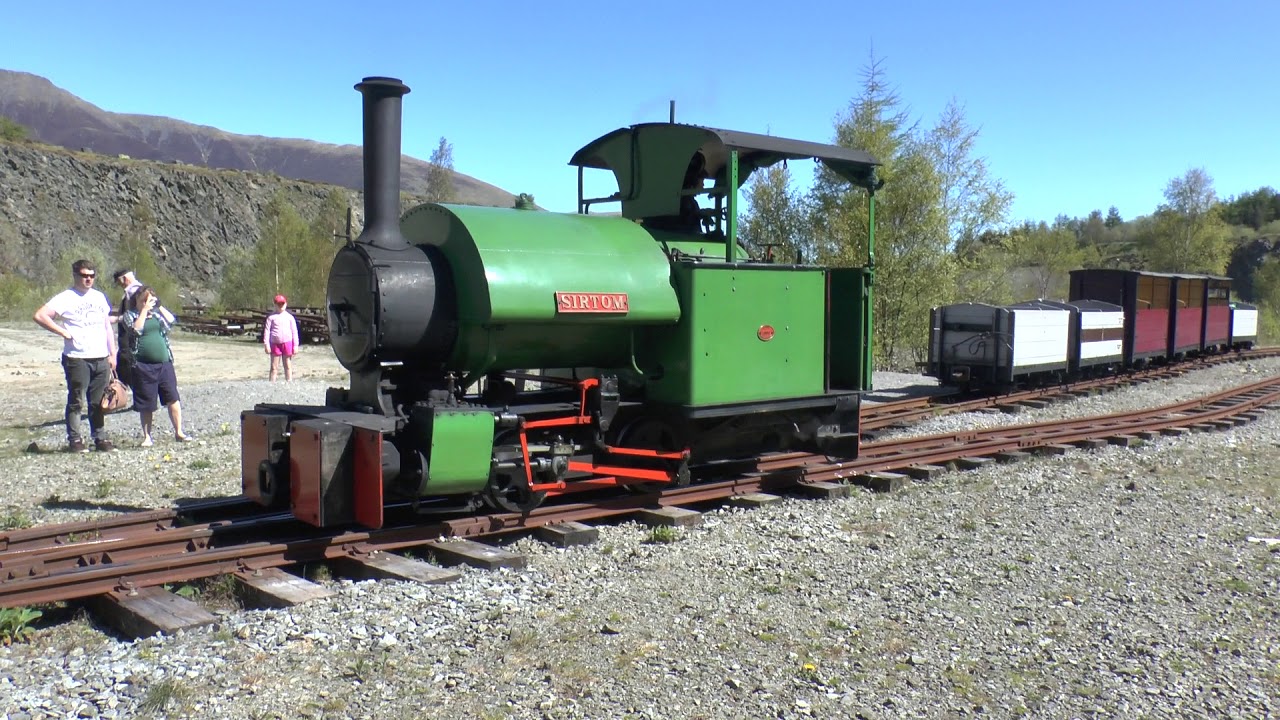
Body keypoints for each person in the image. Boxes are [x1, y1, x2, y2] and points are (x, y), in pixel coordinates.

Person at [33, 260, 117, 452]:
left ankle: (100, 438)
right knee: (77, 400)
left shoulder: (99, 297)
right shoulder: (66, 297)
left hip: (100, 356)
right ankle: (75, 440)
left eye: (91, 276)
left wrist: (113, 354)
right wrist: (63, 332)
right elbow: (40, 315)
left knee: (98, 402)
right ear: (76, 275)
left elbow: (106, 327)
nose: (88, 279)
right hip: (77, 357)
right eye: (84, 275)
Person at [121, 285, 191, 446]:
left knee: (172, 397)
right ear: (136, 301)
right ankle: (147, 437)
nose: (147, 303)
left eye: (149, 299)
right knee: (146, 403)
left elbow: (172, 322)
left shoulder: (157, 315)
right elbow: (136, 330)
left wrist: (159, 306)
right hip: (143, 365)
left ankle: (179, 431)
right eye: (143, 300)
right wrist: (144, 310)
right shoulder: (130, 315)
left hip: (164, 363)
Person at [263, 294, 300, 381]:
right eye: (278, 304)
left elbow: (294, 331)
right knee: (274, 366)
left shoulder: (290, 317)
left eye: (282, 304)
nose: (280, 306)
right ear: (275, 305)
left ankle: (289, 382)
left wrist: (295, 345)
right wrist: (266, 345)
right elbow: (267, 331)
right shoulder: (271, 318)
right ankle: (272, 383)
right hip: (275, 344)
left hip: (287, 342)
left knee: (287, 364)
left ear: (286, 304)